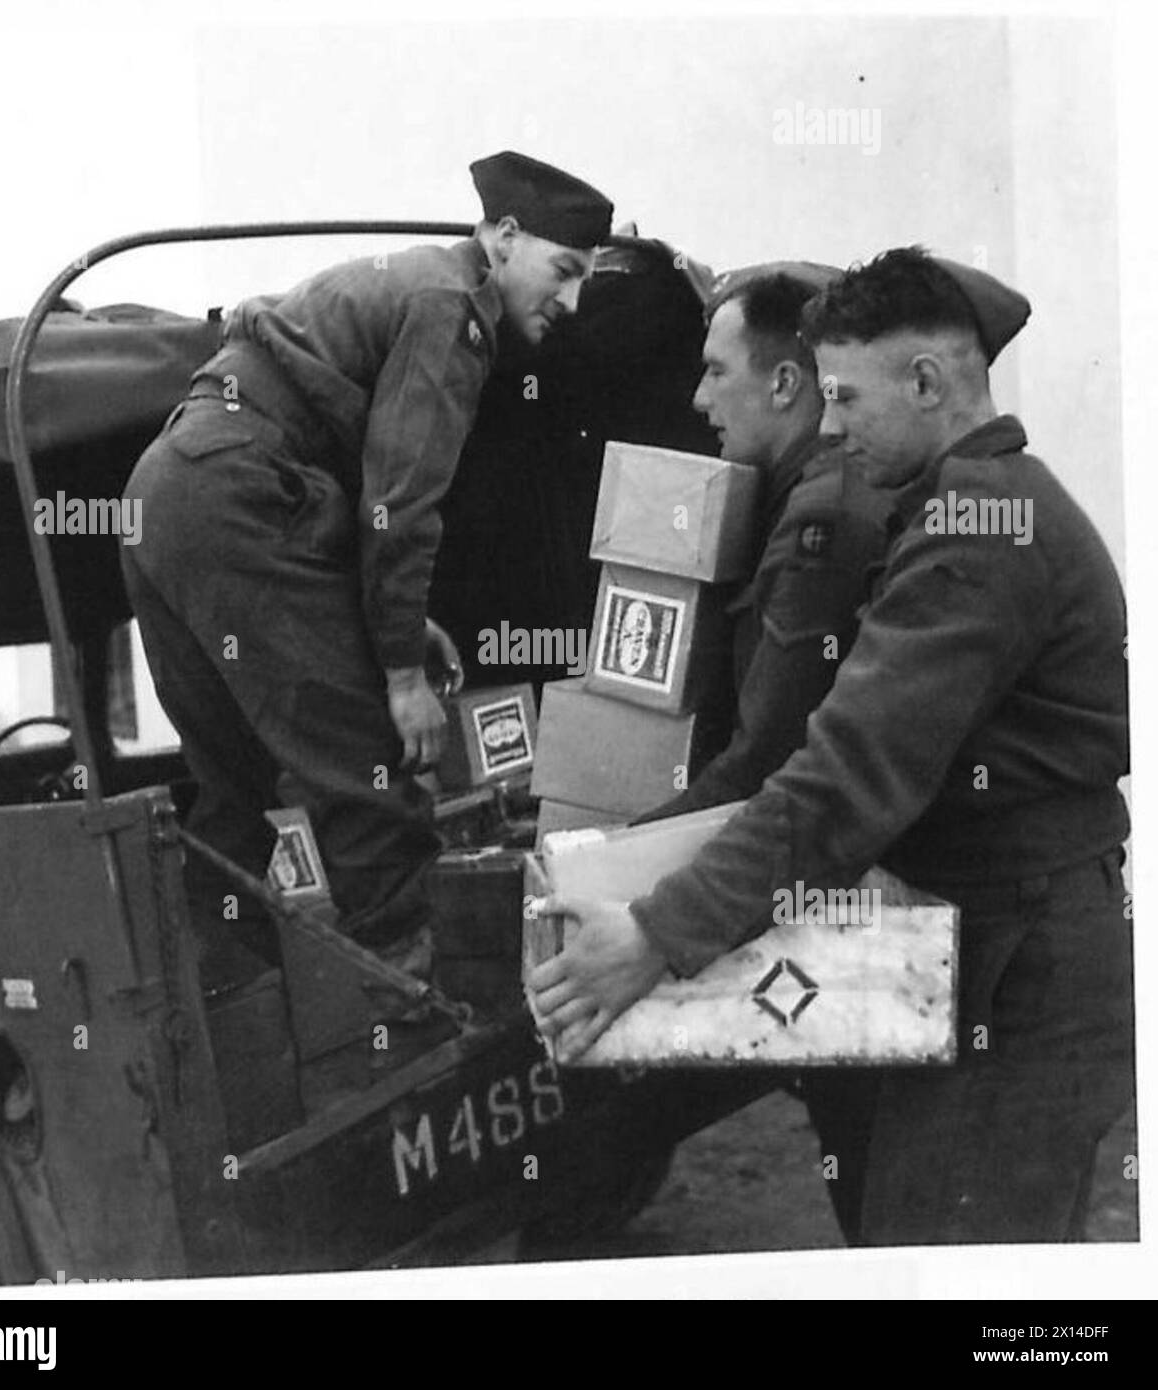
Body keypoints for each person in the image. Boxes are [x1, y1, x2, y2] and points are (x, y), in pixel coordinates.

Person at [530, 247, 1133, 1245]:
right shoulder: (969, 501)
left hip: (1025, 971)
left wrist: (652, 933)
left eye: (848, 396)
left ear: (930, 383)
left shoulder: (976, 531)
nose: (834, 423)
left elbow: (843, 776)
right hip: (1015, 944)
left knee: (939, 1248)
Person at [122, 151, 613, 988]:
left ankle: (220, 1020)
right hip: (241, 489)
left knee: (231, 786)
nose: (567, 302)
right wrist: (397, 674)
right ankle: (418, 1019)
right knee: (367, 778)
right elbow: (400, 502)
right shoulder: (453, 306)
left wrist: (399, 623)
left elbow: (351, 509)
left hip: (167, 493)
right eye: (562, 272)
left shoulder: (415, 286)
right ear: (502, 236)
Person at [632, 261, 894, 823]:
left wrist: (613, 847)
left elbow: (766, 758)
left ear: (783, 384)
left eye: (716, 373)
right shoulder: (797, 495)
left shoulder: (820, 519)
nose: (699, 399)